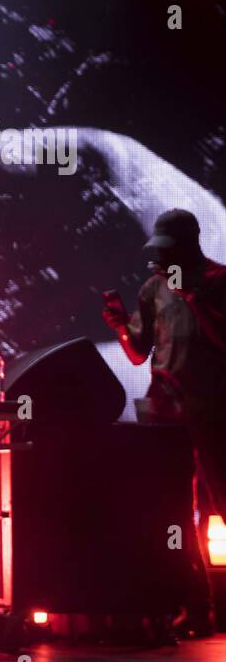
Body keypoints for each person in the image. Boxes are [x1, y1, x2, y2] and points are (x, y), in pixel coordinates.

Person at [103, 208, 226, 636]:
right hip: (167, 411)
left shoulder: (219, 283)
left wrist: (193, 297)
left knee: (222, 503)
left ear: (190, 245)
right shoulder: (153, 289)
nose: (162, 261)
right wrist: (121, 325)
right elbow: (139, 351)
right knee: (171, 515)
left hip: (214, 410)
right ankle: (196, 607)